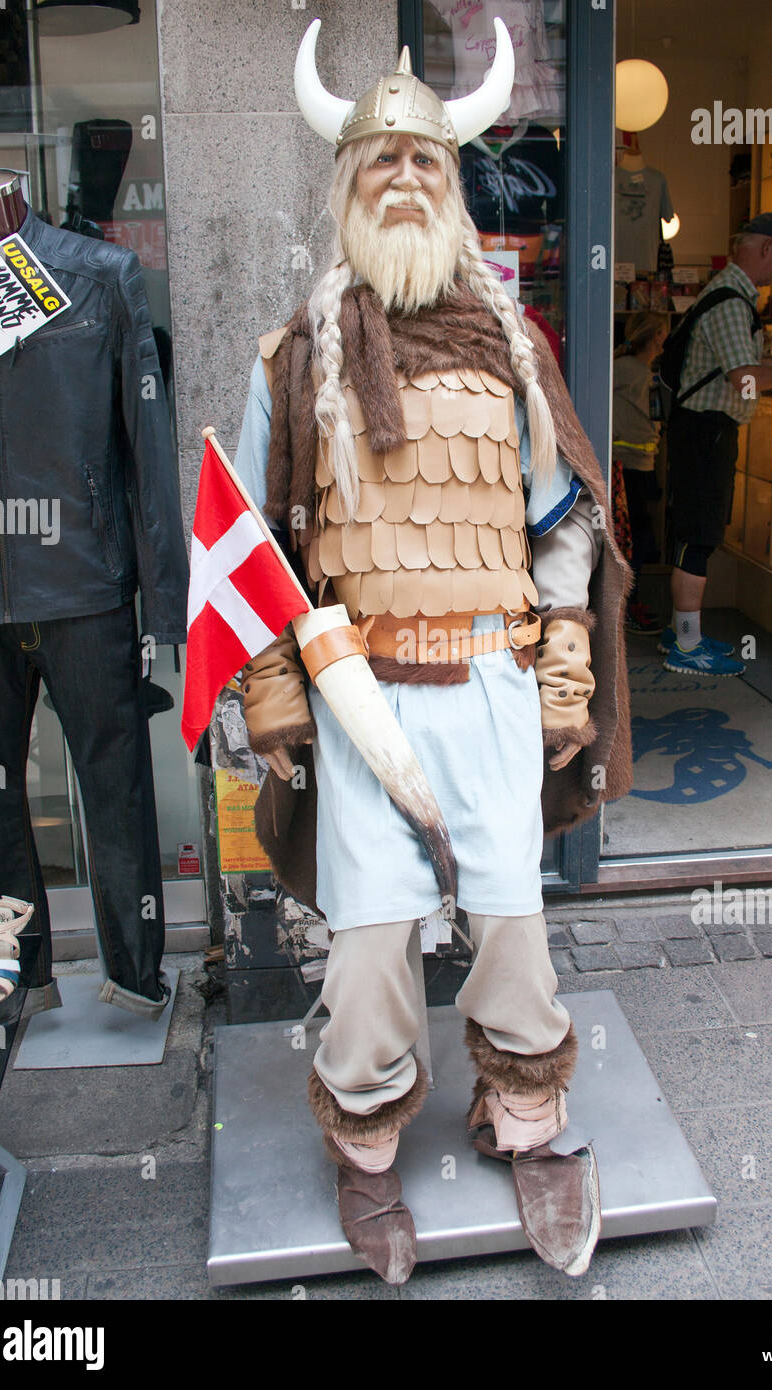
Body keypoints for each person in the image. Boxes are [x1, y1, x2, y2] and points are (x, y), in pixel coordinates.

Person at [230, 22, 632, 1285]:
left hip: (496, 685)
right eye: (377, 163)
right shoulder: (293, 357)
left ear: (450, 185)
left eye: (423, 160)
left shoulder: (512, 349)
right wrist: (278, 690)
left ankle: (526, 1114)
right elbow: (251, 550)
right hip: (365, 704)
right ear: (343, 189)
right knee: (369, 948)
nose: (402, 177)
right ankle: (365, 1144)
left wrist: (563, 662)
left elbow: (560, 520)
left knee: (514, 921)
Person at [662, 211, 772, 675]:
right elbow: (745, 381)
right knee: (698, 536)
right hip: (707, 431)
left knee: (694, 533)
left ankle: (682, 635)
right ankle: (686, 647)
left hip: (701, 429)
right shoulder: (732, 303)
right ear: (765, 248)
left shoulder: (727, 295)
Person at [612, 311, 668, 633]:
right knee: (633, 538)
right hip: (629, 466)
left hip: (638, 464)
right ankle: (628, 606)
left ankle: (630, 603)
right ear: (657, 336)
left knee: (635, 537)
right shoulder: (629, 370)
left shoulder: (637, 370)